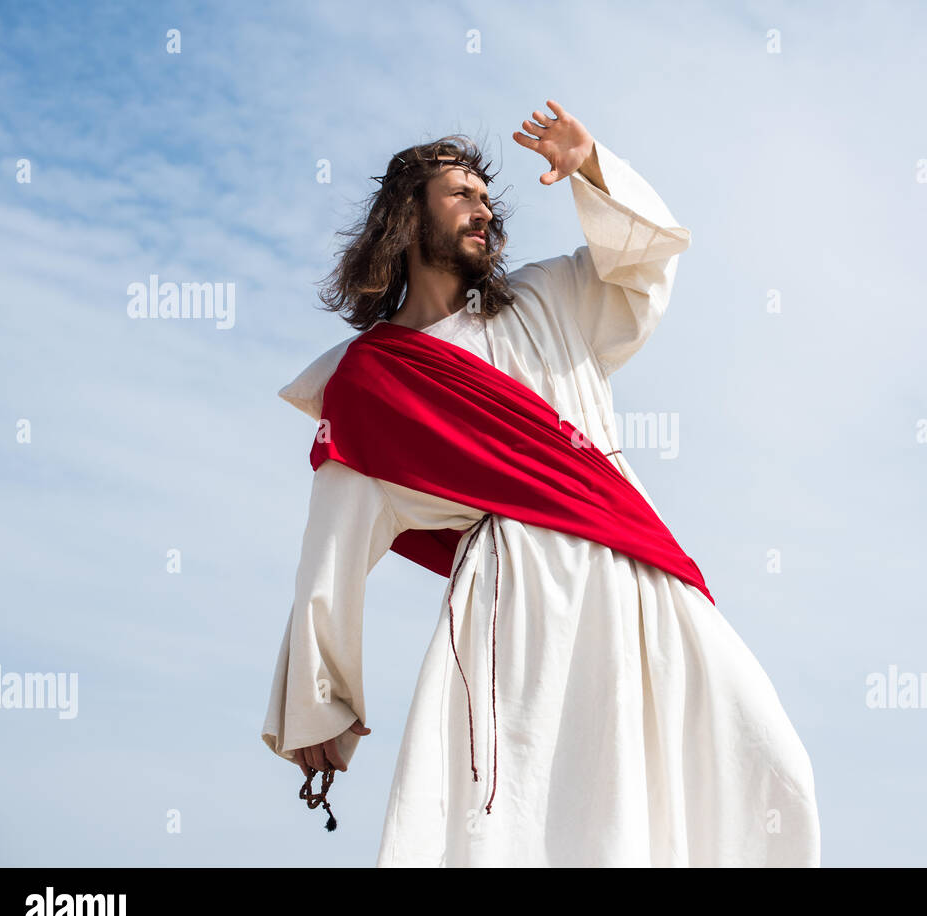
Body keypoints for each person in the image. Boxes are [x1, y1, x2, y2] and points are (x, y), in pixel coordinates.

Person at [261, 99, 821, 866]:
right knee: (551, 828)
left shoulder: (547, 297)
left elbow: (644, 263)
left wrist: (592, 168)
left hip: (643, 578)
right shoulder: (379, 379)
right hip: (520, 604)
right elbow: (333, 544)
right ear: (407, 214)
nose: (483, 207)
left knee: (768, 768)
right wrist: (320, 701)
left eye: (488, 196)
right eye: (460, 192)